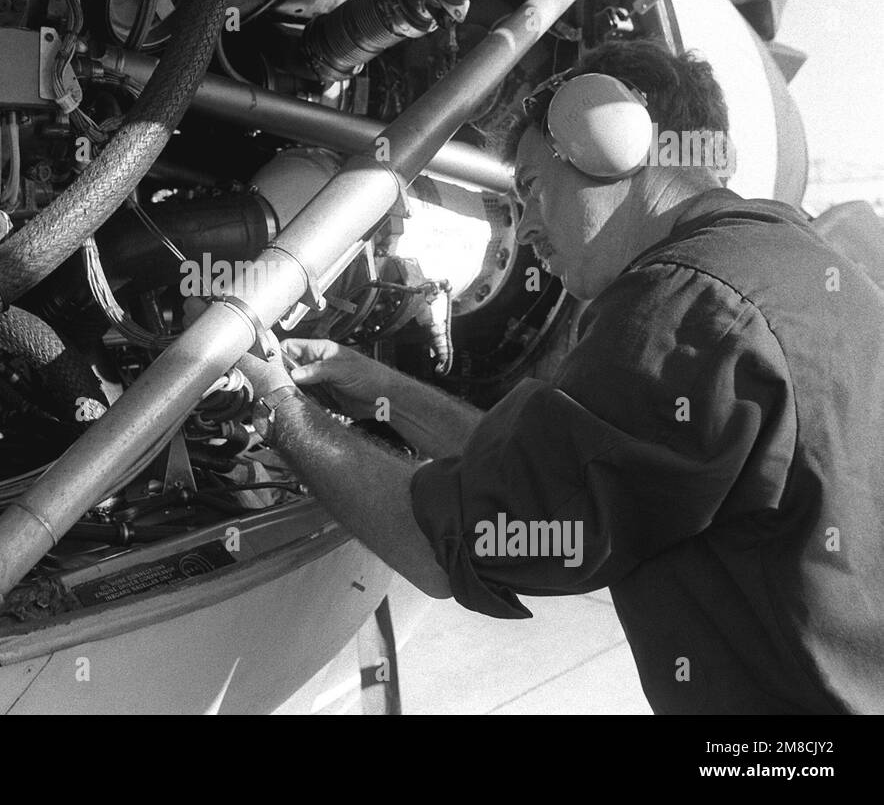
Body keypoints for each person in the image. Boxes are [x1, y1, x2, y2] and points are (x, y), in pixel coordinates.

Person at [236, 39, 884, 714]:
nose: (525, 234)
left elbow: (448, 542)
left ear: (614, 138)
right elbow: (560, 469)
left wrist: (280, 407)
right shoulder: (806, 267)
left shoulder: (683, 308)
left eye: (530, 188)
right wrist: (381, 387)